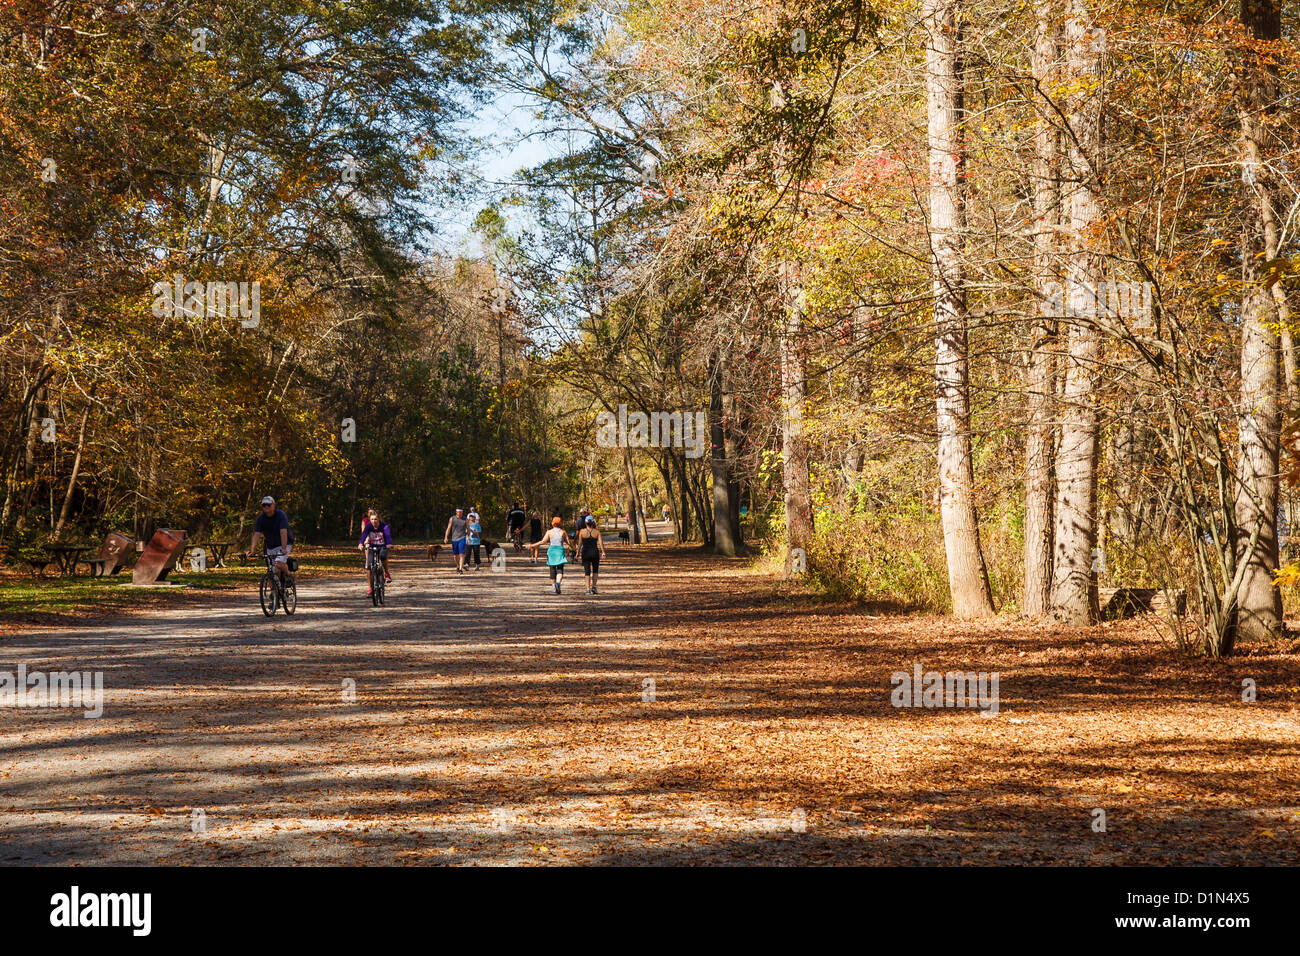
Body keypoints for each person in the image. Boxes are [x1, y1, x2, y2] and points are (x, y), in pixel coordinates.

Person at [246, 495, 293, 583]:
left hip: (285, 543)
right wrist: (252, 550)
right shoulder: (261, 518)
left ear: (274, 505)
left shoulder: (280, 515)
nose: (266, 507)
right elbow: (256, 534)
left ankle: (288, 575)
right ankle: (276, 594)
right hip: (271, 545)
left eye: (268, 504)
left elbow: (283, 532)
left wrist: (283, 548)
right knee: (273, 571)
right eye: (264, 505)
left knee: (278, 563)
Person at [528, 516, 572, 594]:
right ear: (560, 524)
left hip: (552, 551)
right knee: (560, 569)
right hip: (560, 551)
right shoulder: (563, 532)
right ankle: (558, 583)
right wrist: (574, 548)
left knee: (552, 569)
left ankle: (554, 587)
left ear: (552, 523)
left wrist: (532, 545)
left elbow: (542, 542)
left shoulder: (549, 532)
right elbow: (568, 542)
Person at [357, 508, 392, 595]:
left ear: (378, 519)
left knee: (383, 557)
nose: (373, 521)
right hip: (372, 547)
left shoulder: (384, 526)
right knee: (369, 565)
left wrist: (389, 544)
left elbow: (387, 536)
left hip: (382, 546)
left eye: (375, 519)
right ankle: (371, 587)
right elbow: (364, 535)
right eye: (372, 519)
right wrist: (361, 544)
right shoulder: (368, 526)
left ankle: (386, 574)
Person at [576, 515, 606, 594]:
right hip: (595, 552)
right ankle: (594, 587)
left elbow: (579, 544)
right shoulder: (597, 532)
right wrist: (603, 552)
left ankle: (587, 589)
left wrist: (577, 553)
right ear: (592, 522)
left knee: (587, 571)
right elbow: (600, 543)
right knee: (595, 570)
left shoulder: (582, 532)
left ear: (585, 523)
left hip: (585, 553)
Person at [443, 507, 469, 572]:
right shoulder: (452, 519)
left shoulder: (466, 519)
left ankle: (460, 569)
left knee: (462, 554)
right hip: (454, 539)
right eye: (459, 512)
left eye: (461, 512)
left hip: (462, 538)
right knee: (455, 556)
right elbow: (448, 528)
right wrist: (446, 537)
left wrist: (468, 537)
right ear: (456, 512)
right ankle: (458, 565)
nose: (460, 514)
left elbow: (468, 529)